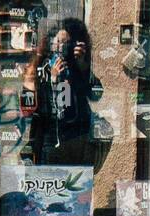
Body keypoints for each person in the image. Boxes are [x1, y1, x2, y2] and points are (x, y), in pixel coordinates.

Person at [23, 17, 104, 166]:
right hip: (47, 138)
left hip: (75, 138)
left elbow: (96, 94)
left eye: (66, 44)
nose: (61, 48)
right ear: (51, 43)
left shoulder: (74, 68)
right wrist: (53, 79)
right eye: (58, 42)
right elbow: (28, 108)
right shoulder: (41, 68)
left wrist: (83, 67)